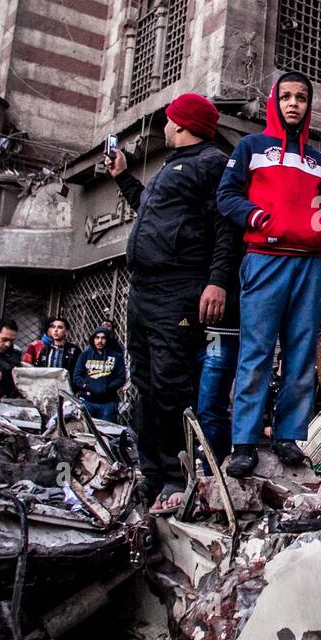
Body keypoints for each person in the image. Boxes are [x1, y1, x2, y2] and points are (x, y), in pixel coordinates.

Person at [106, 92, 240, 507]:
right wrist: (123, 178)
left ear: (181, 125)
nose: (164, 127)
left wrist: (217, 281)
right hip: (143, 292)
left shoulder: (214, 164)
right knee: (145, 384)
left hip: (179, 293)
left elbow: (227, 227)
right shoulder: (173, 167)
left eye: (168, 120)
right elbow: (151, 210)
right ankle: (150, 473)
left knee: (170, 384)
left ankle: (175, 476)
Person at [217, 72, 321, 478]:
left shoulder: (320, 161)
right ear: (274, 101)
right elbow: (226, 196)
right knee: (256, 353)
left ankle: (288, 436)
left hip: (311, 266)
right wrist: (256, 216)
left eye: (301, 98)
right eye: (285, 96)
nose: (293, 104)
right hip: (264, 258)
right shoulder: (251, 146)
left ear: (308, 105)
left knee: (301, 357)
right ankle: (245, 442)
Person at [72, 327, 127, 422]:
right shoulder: (85, 355)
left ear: (108, 340)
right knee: (86, 430)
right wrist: (86, 385)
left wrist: (107, 388)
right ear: (93, 339)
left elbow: (121, 378)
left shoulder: (116, 356)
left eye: (103, 338)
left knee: (106, 431)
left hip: (108, 402)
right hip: (87, 400)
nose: (100, 341)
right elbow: (77, 376)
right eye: (97, 337)